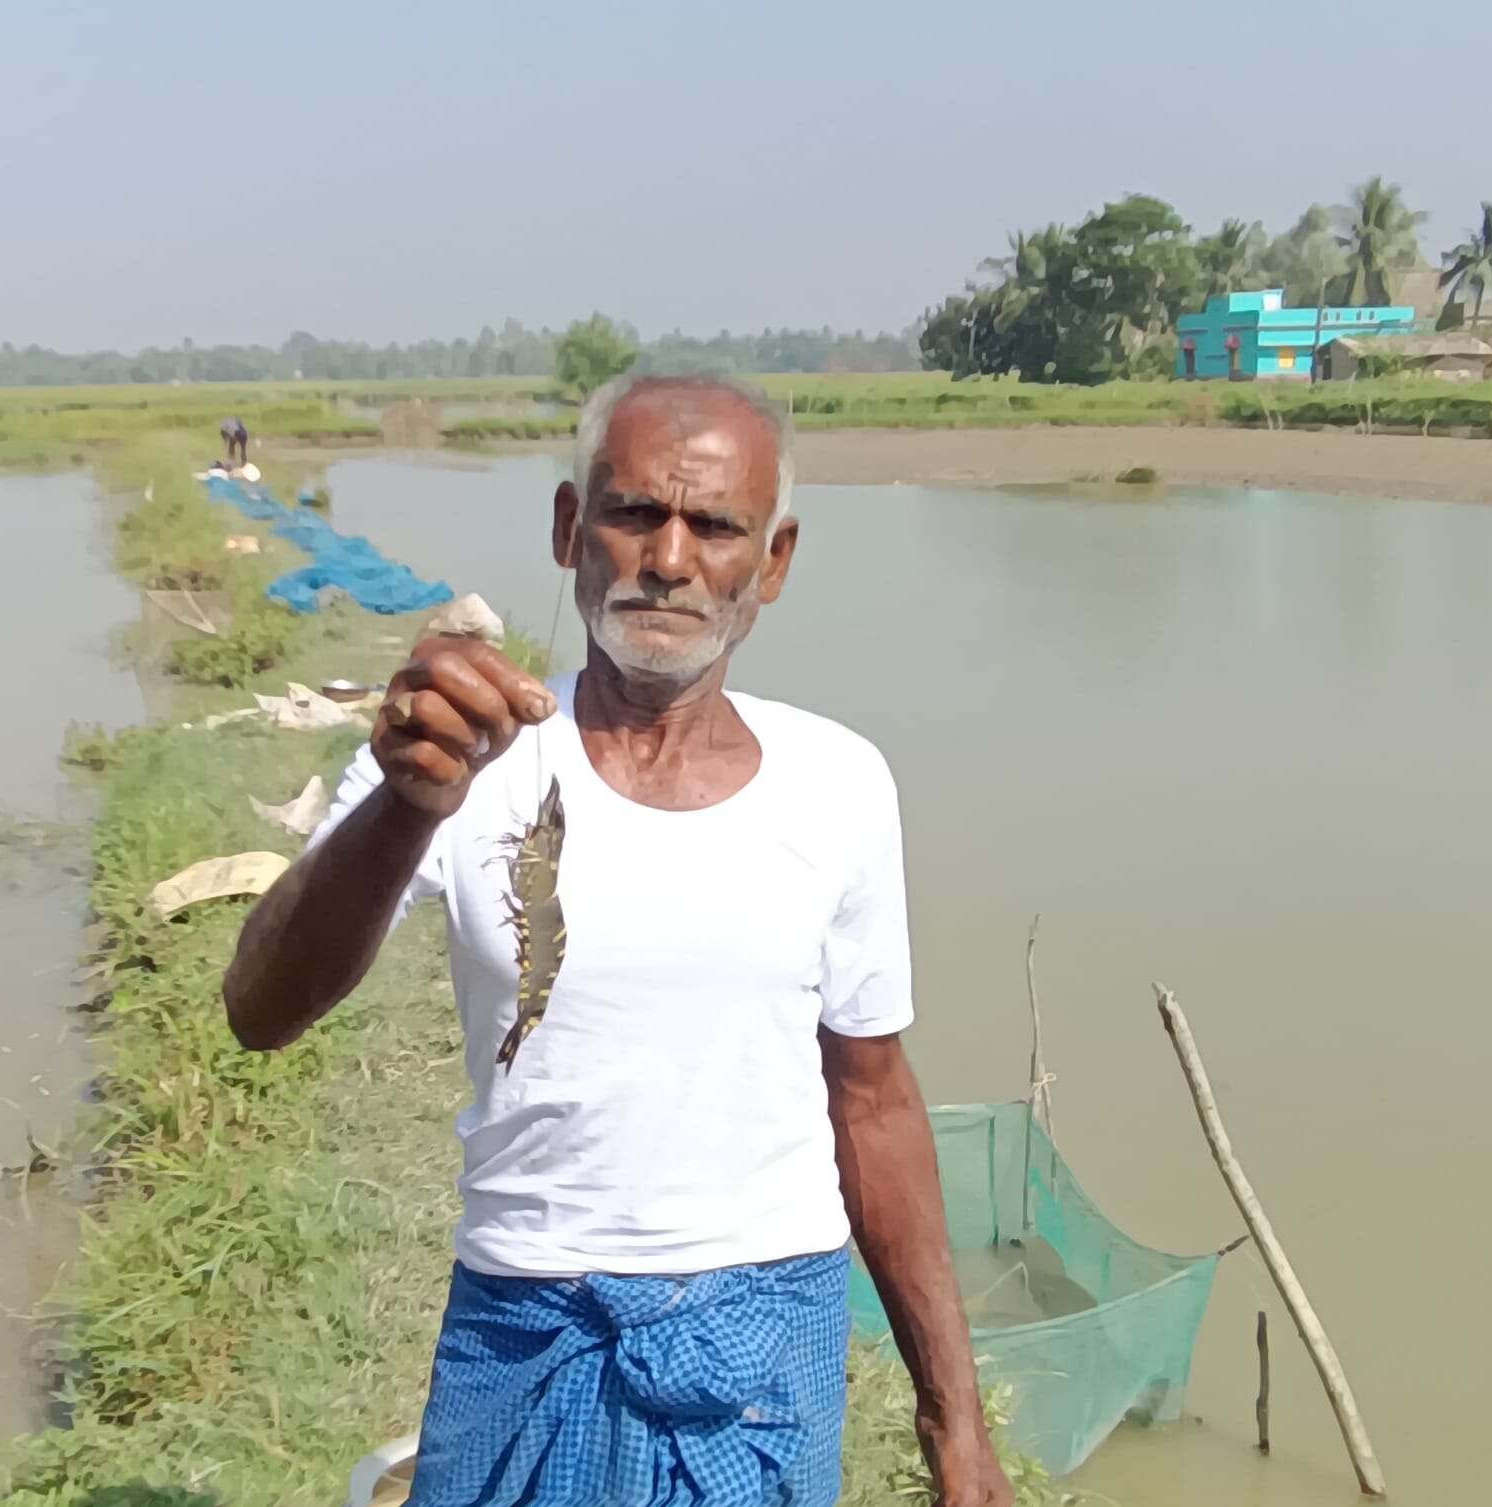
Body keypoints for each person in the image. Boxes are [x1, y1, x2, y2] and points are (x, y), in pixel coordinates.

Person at [222, 374, 1011, 1506]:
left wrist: (956, 1424)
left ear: (772, 563)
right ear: (566, 530)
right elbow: (260, 1010)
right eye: (634, 513)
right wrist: (405, 805)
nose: (670, 558)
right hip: (522, 1319)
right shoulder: (452, 752)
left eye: (716, 526)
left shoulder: (837, 782)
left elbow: (873, 1100)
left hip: (759, 1342)